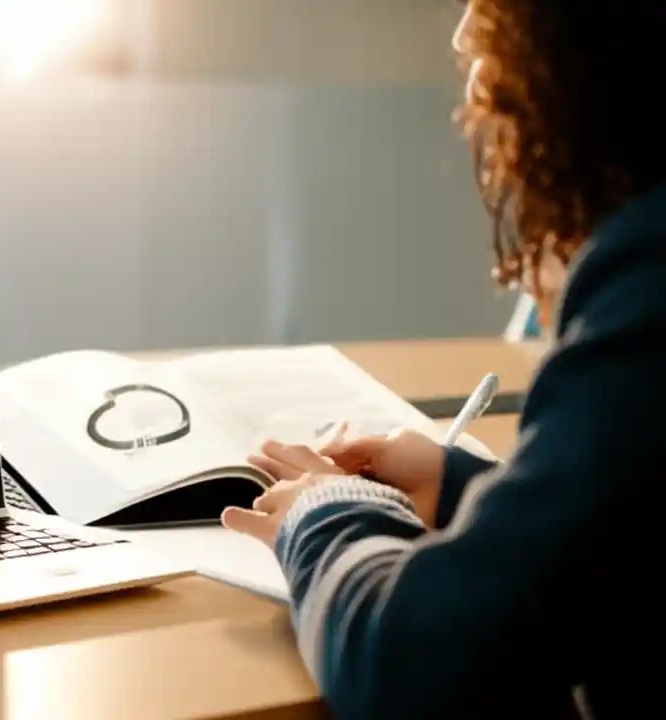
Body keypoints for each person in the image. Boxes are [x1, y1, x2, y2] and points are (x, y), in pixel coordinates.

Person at [221, 2, 664, 719]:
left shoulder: (650, 286)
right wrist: (459, 485)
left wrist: (326, 510)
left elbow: (412, 662)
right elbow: (621, 539)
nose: (463, 33)